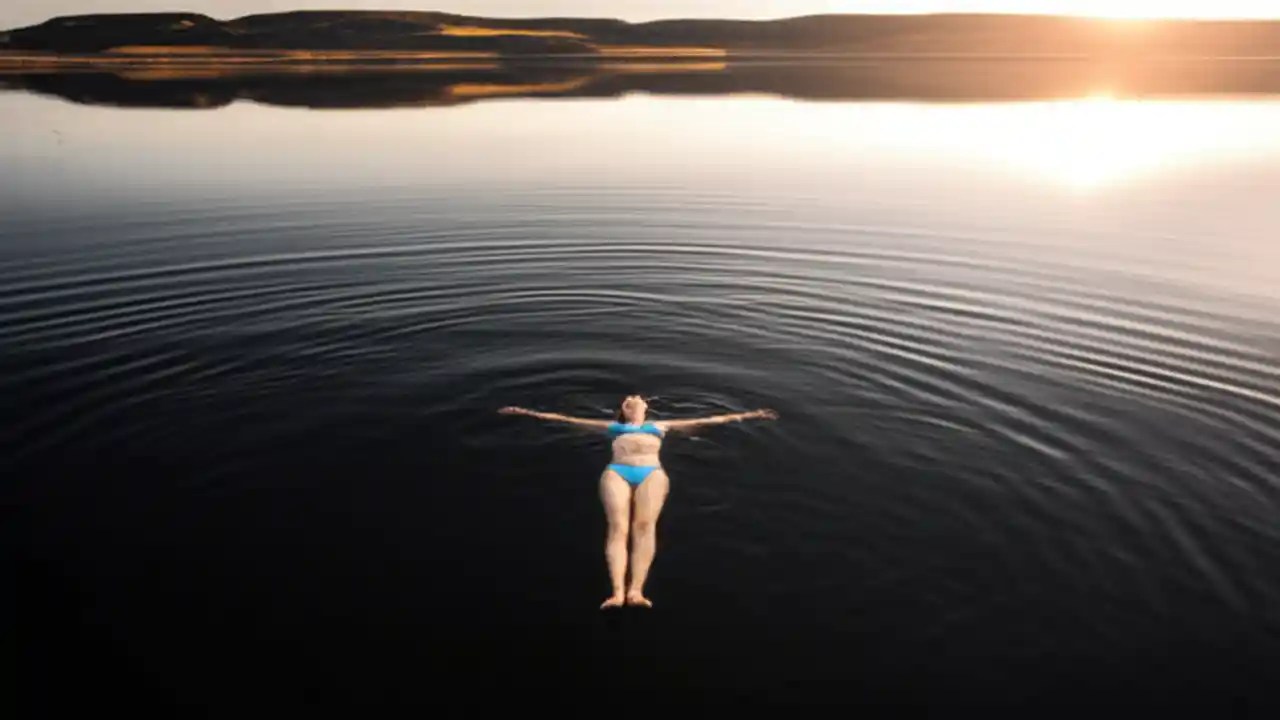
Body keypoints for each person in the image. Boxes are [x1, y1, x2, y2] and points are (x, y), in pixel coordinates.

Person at [499, 395, 778, 609]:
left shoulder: (660, 425)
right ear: (624, 408)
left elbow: (712, 420)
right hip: (617, 472)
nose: (633, 397)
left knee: (644, 526)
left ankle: (636, 590)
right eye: (628, 398)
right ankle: (617, 591)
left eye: (638, 397)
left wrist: (751, 415)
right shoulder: (613, 427)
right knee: (618, 527)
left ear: (646, 407)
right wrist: (526, 413)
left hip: (651, 473)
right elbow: (565, 420)